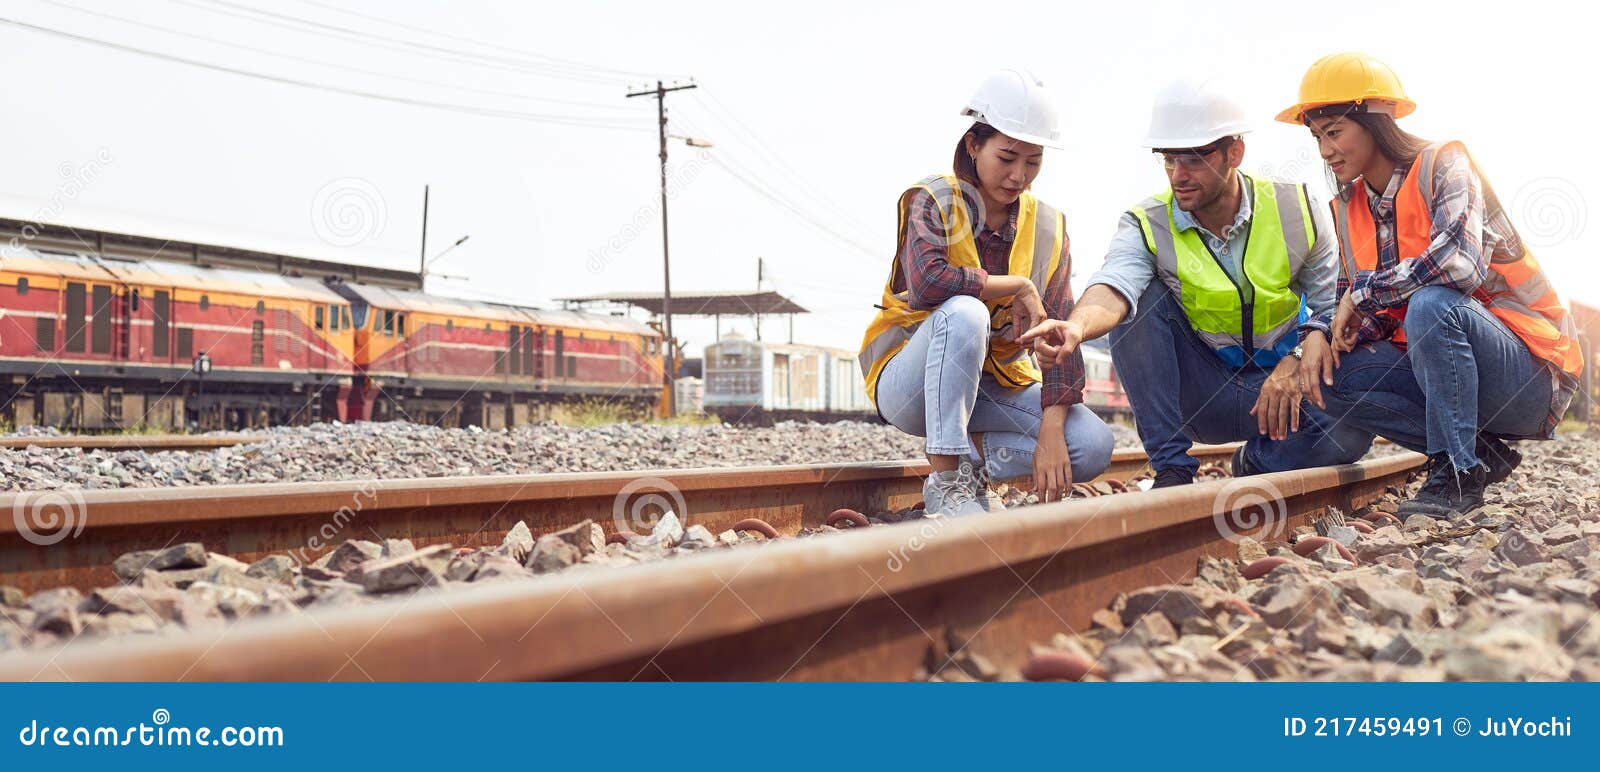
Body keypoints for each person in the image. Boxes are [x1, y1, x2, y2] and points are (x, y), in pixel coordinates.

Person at [1020, 77, 1372, 487]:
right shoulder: (1147, 222)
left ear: (1233, 152)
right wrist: (1076, 327)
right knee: (1140, 298)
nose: (1178, 174)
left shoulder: (1298, 209)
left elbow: (1332, 309)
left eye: (1193, 159)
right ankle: (1171, 470)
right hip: (1204, 395)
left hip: (1284, 387)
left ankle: (1257, 463)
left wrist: (1294, 359)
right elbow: (1114, 285)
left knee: (1351, 428)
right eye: (1169, 159)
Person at [1277, 52, 1584, 518]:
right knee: (1333, 371)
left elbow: (1459, 265)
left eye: (1334, 132)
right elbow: (1355, 306)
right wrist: (1318, 336)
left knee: (1431, 304)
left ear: (1376, 123)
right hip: (1451, 373)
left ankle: (1457, 473)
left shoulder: (1445, 164)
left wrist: (1360, 295)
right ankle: (1479, 454)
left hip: (1533, 374)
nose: (1324, 150)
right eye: (1317, 136)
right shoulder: (1345, 207)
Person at [858, 68, 1114, 517]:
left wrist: (1052, 429)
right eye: (1007, 157)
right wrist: (1018, 285)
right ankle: (947, 482)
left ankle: (971, 459)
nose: (1019, 175)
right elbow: (930, 283)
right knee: (965, 313)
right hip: (910, 386)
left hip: (990, 391)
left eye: (1033, 161)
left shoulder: (1050, 228)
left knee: (1090, 447)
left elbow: (1062, 334)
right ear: (973, 145)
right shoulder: (932, 200)